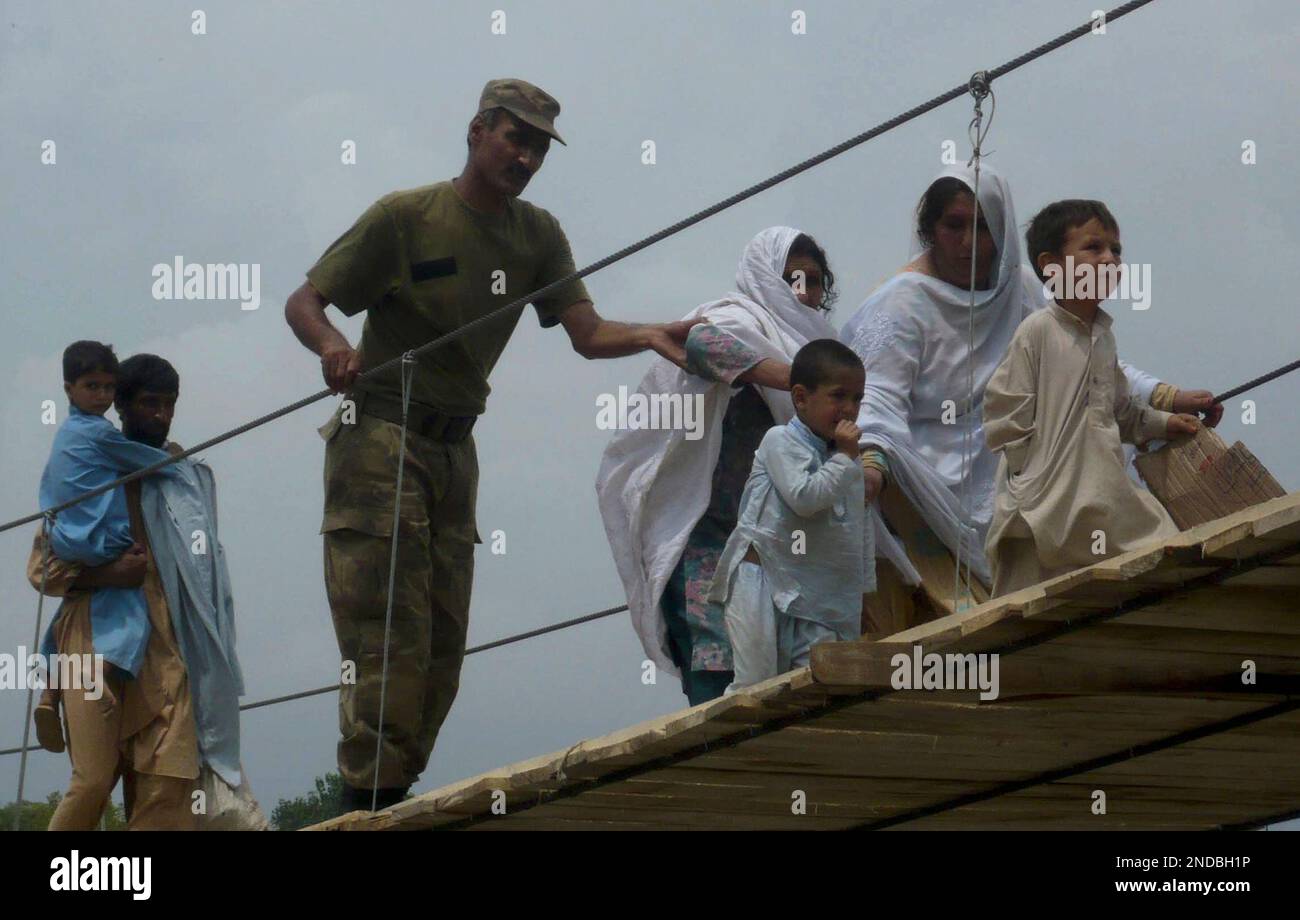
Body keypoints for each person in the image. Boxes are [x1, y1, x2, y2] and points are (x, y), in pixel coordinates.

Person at [284, 79, 698, 811]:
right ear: (477, 131)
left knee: (443, 648)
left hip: (454, 449)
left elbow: (586, 331)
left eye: (539, 147)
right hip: (379, 432)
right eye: (517, 138)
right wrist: (332, 345)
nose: (528, 156)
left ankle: (390, 794)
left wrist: (652, 334)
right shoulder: (406, 216)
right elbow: (305, 300)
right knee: (388, 634)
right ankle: (364, 806)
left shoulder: (536, 235)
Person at [839, 166, 1221, 631]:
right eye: (953, 225)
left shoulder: (1022, 291)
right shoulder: (902, 304)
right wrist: (874, 463)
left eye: (982, 227)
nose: (967, 243)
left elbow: (1098, 374)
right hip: (936, 490)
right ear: (930, 233)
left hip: (1054, 472)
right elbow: (876, 397)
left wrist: (1168, 401)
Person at [599, 227, 874, 705]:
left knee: (788, 680)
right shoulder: (737, 318)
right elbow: (705, 346)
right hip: (706, 538)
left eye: (815, 282)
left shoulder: (823, 351)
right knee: (718, 672)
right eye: (792, 278)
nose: (804, 292)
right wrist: (802, 380)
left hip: (780, 553)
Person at [29, 354, 264, 830]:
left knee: (168, 789)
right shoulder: (90, 470)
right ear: (121, 404)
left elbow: (212, 579)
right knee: (94, 781)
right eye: (149, 403)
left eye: (169, 404)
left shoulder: (185, 477)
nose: (160, 415)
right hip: (100, 640)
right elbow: (43, 570)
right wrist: (107, 573)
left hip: (169, 654)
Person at [983, 200, 1198, 595]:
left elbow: (1120, 412)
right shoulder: (1038, 332)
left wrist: (1166, 422)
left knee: (1160, 549)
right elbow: (1003, 413)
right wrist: (1033, 475)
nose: (1110, 259)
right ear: (1051, 265)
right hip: (1045, 502)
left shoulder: (1104, 339)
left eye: (1116, 251)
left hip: (1101, 495)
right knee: (1028, 610)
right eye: (1094, 248)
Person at [32, 341, 179, 755]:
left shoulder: (66, 435)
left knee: (64, 618)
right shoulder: (100, 435)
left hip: (65, 543)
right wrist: (175, 458)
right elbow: (151, 461)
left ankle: (51, 691)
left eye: (106, 387)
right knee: (131, 619)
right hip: (102, 542)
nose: (100, 395)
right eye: (91, 386)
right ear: (69, 388)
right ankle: (98, 682)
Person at [709, 339, 872, 692]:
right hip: (763, 582)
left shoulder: (848, 458)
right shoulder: (779, 440)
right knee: (757, 685)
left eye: (857, 399)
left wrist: (860, 586)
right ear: (800, 398)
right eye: (838, 396)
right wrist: (845, 458)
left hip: (817, 593)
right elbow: (805, 497)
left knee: (817, 685)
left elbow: (855, 528)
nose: (849, 409)